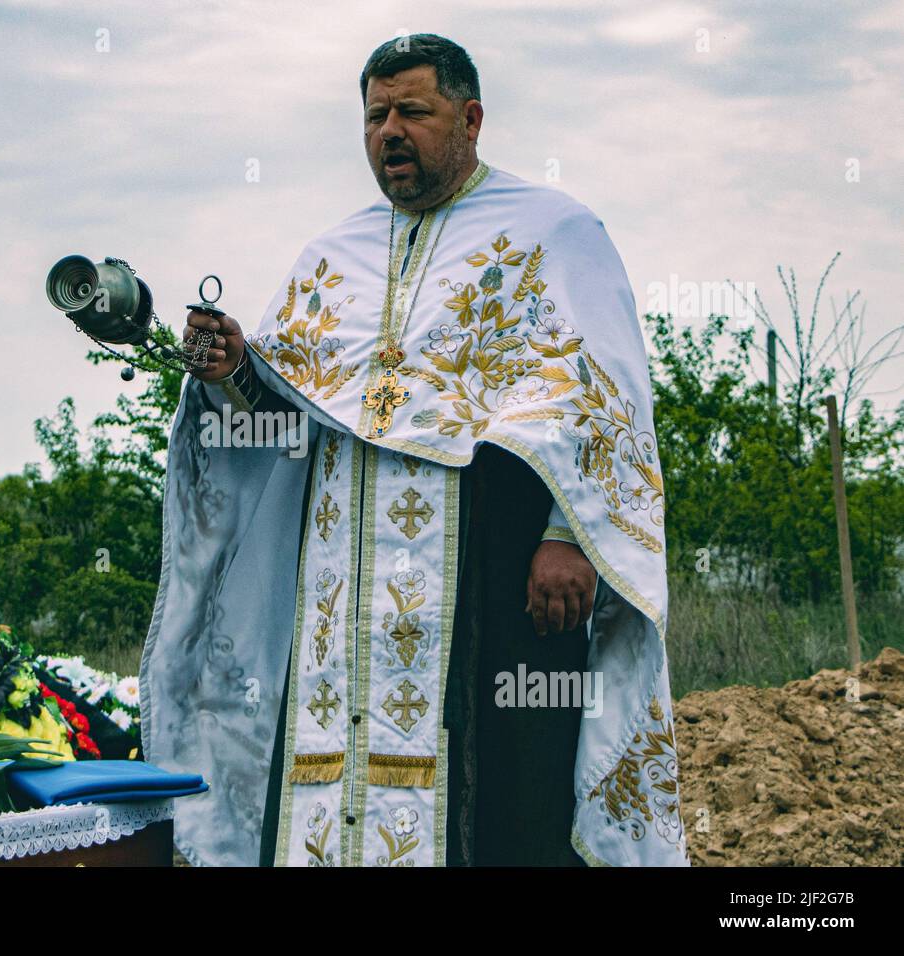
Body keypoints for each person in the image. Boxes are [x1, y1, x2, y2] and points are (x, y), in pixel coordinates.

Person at [140, 33, 688, 867]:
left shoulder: (552, 232)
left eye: (413, 112)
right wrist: (234, 371)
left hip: (496, 569)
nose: (389, 131)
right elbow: (287, 425)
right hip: (342, 590)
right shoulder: (333, 257)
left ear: (469, 118)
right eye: (375, 116)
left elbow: (603, 398)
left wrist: (567, 534)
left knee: (507, 791)